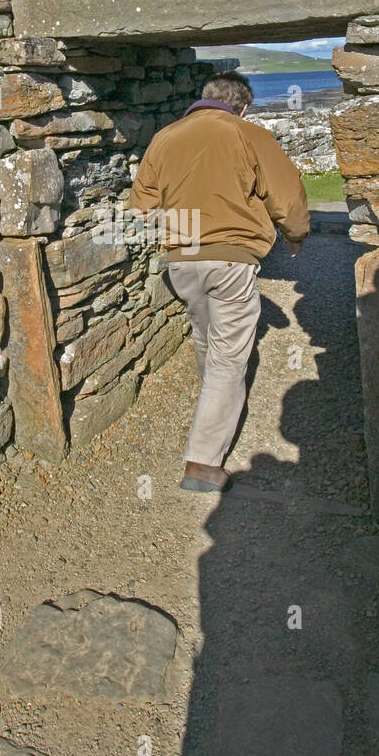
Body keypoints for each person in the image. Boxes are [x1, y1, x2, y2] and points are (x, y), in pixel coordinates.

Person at [126, 71, 309, 492]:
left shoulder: (165, 137)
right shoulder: (248, 134)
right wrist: (295, 236)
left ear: (204, 99)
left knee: (207, 341)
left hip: (181, 260)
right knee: (228, 357)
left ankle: (210, 405)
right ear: (241, 106)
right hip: (231, 259)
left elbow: (140, 207)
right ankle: (203, 464)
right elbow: (288, 195)